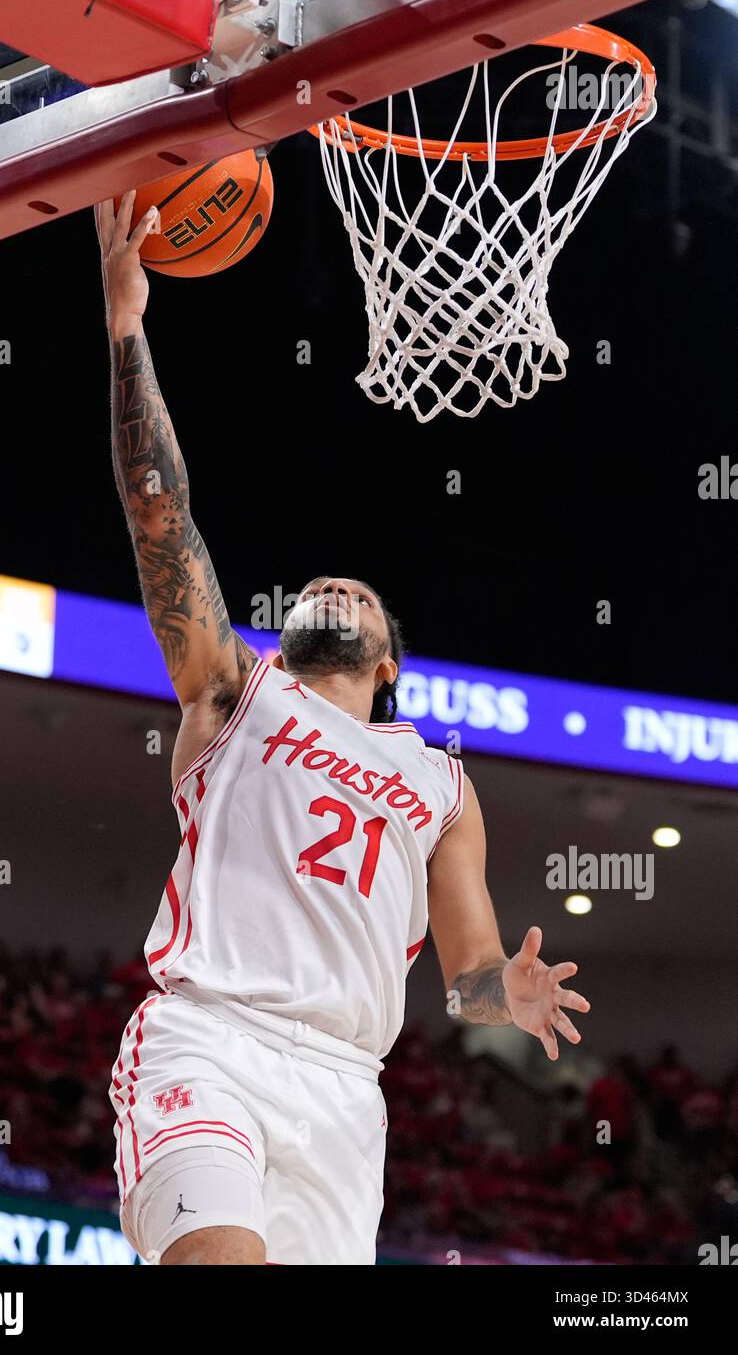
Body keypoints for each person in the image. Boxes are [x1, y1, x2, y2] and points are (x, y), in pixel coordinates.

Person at [97, 193, 591, 1266]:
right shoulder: (236, 695)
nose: (331, 585)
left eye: (356, 592)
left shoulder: (441, 786)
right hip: (209, 1039)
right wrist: (127, 323)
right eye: (318, 585)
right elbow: (159, 515)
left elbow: (462, 970)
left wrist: (498, 988)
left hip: (342, 1092)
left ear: (387, 663)